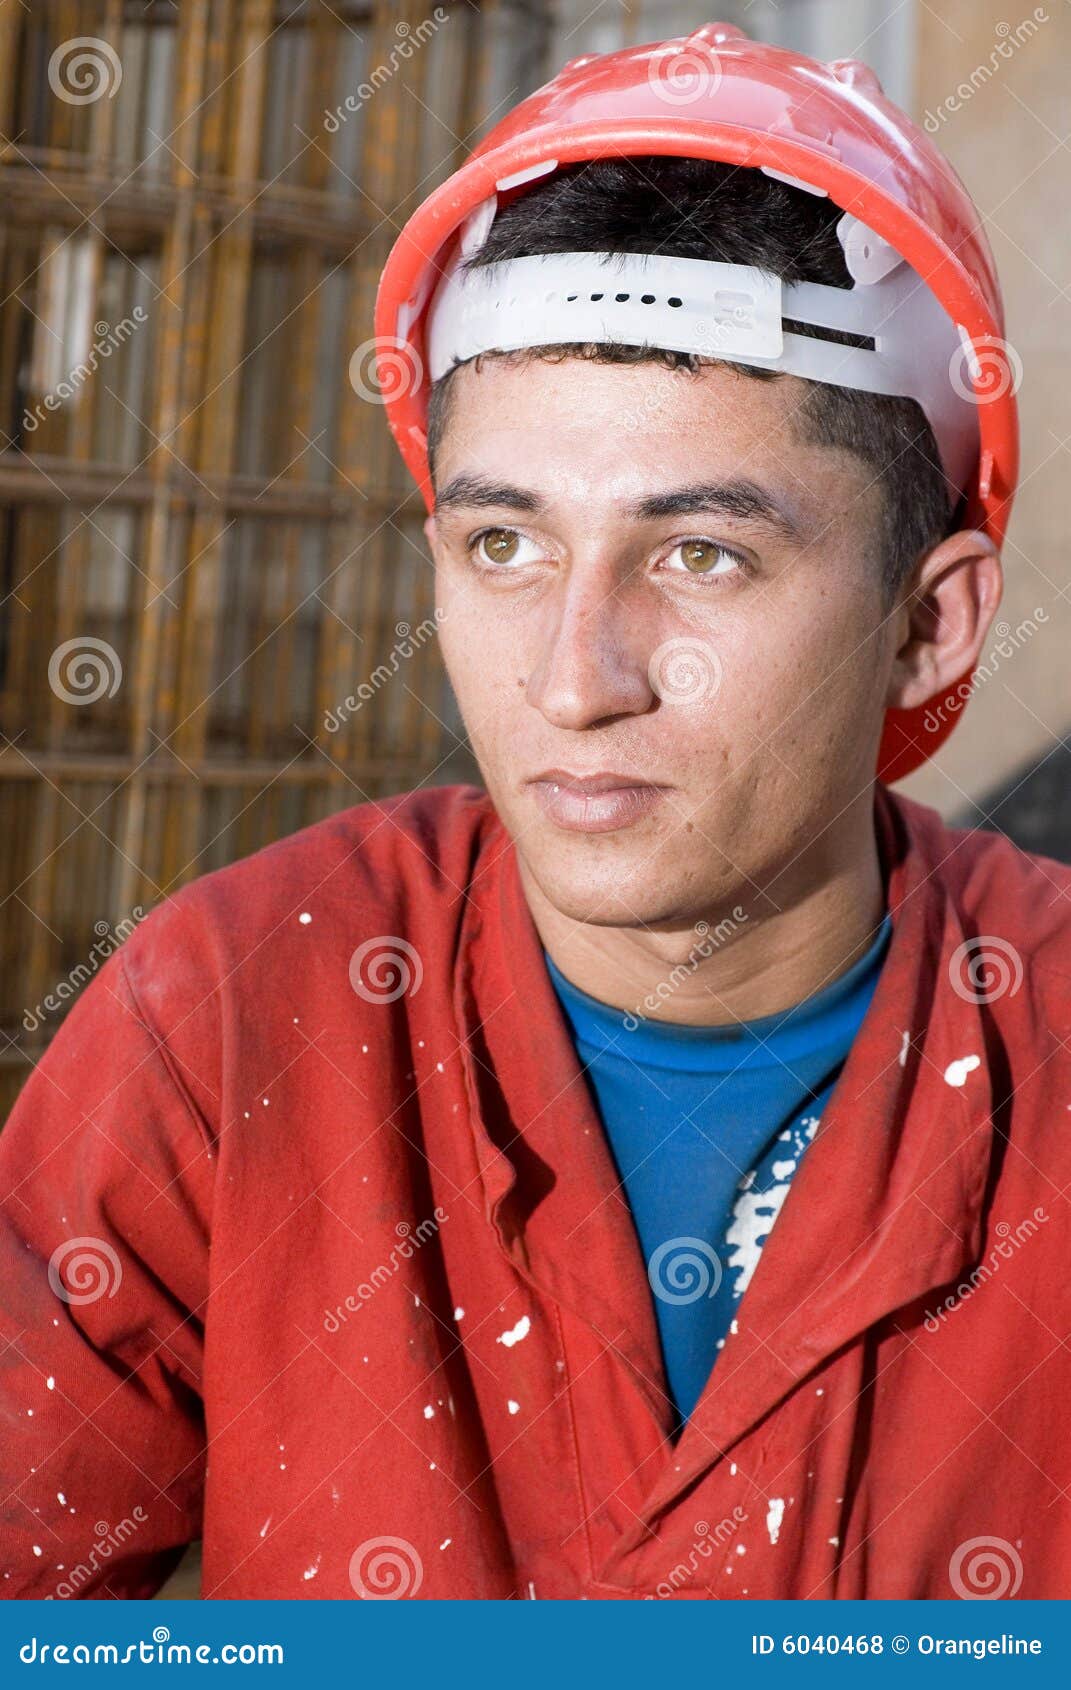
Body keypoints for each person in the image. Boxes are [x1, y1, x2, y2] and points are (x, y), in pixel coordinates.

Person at [1, 24, 1063, 1602]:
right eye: (503, 545)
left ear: (933, 623)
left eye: (700, 552)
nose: (574, 680)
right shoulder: (241, 1009)